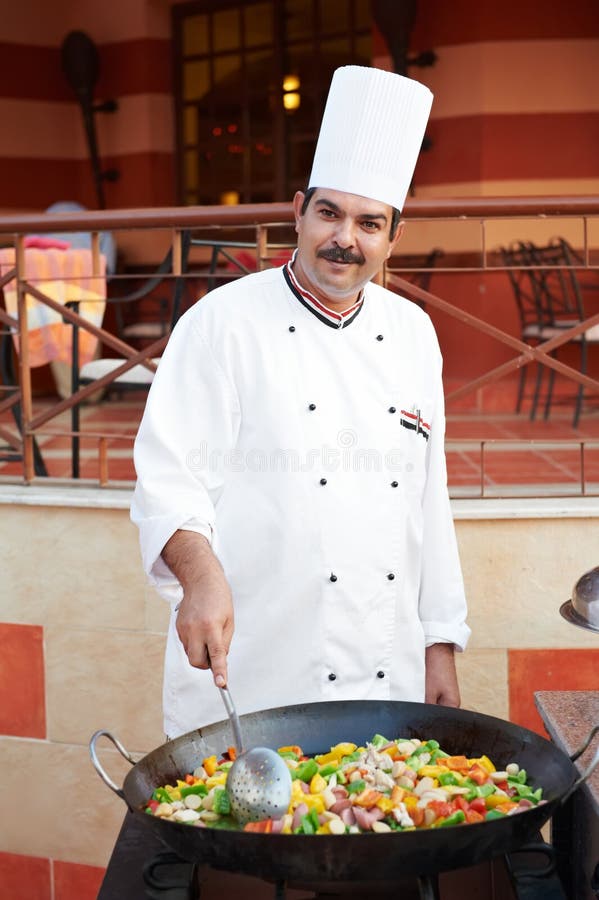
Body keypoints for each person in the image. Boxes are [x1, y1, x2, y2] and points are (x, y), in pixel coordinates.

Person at [131, 66, 470, 739]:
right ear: (297, 211)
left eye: (368, 223)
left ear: (391, 238)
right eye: (329, 213)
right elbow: (169, 481)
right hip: (256, 663)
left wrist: (439, 644)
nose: (345, 237)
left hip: (385, 667)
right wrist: (198, 579)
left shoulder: (412, 333)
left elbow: (428, 501)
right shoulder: (220, 323)